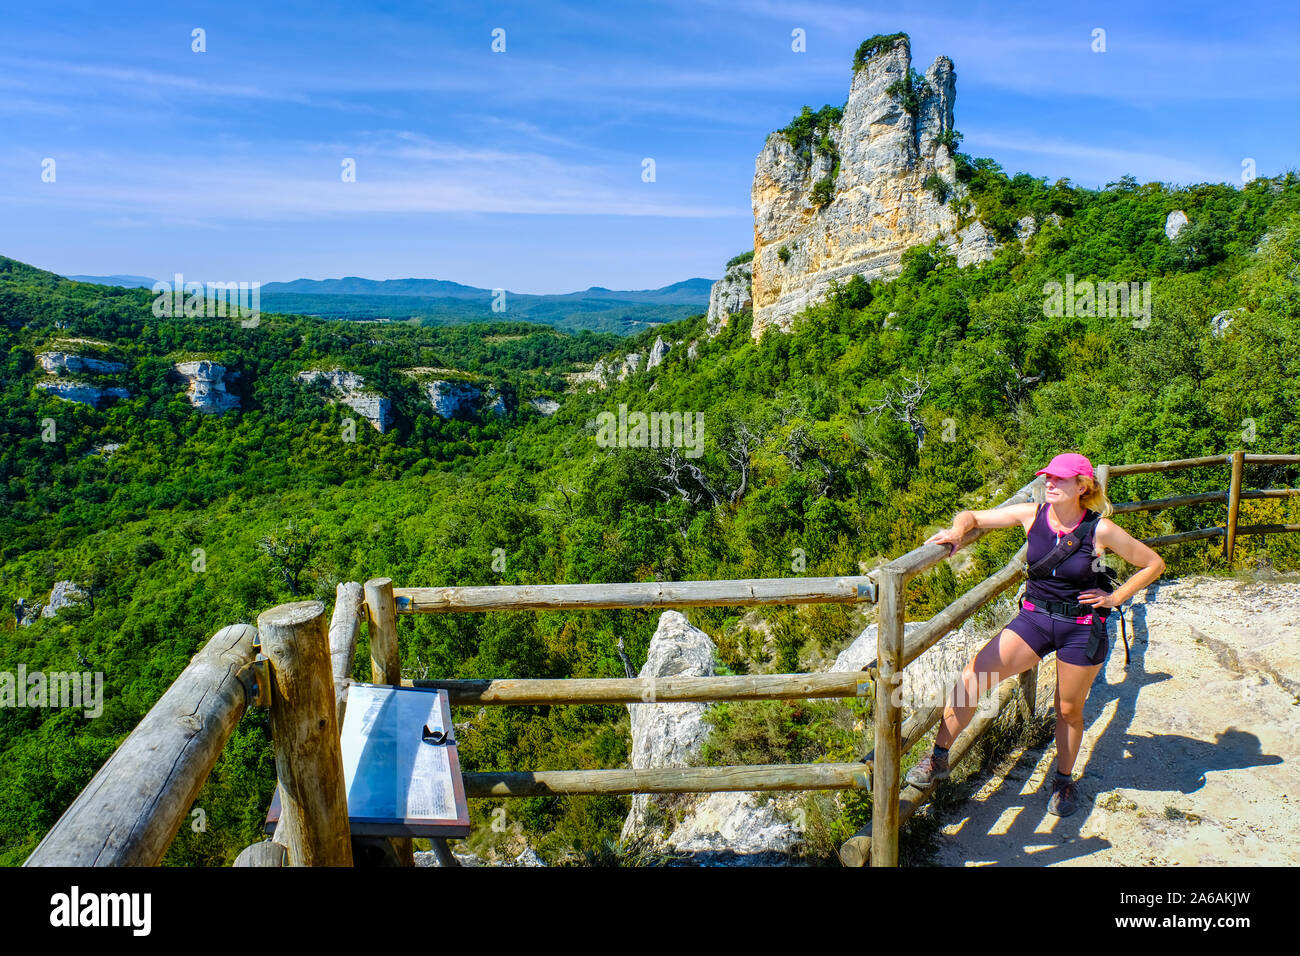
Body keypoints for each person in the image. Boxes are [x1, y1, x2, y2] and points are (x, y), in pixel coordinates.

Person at [906, 453, 1165, 816]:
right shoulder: (1033, 514)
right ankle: (938, 757)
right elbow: (975, 516)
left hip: (1081, 627)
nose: (1049, 484)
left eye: (1058, 479)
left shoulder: (1100, 529)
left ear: (1082, 486)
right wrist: (956, 532)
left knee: (1069, 710)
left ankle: (1063, 780)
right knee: (972, 677)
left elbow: (1153, 563)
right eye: (1047, 478)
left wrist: (1116, 597)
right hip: (1035, 620)